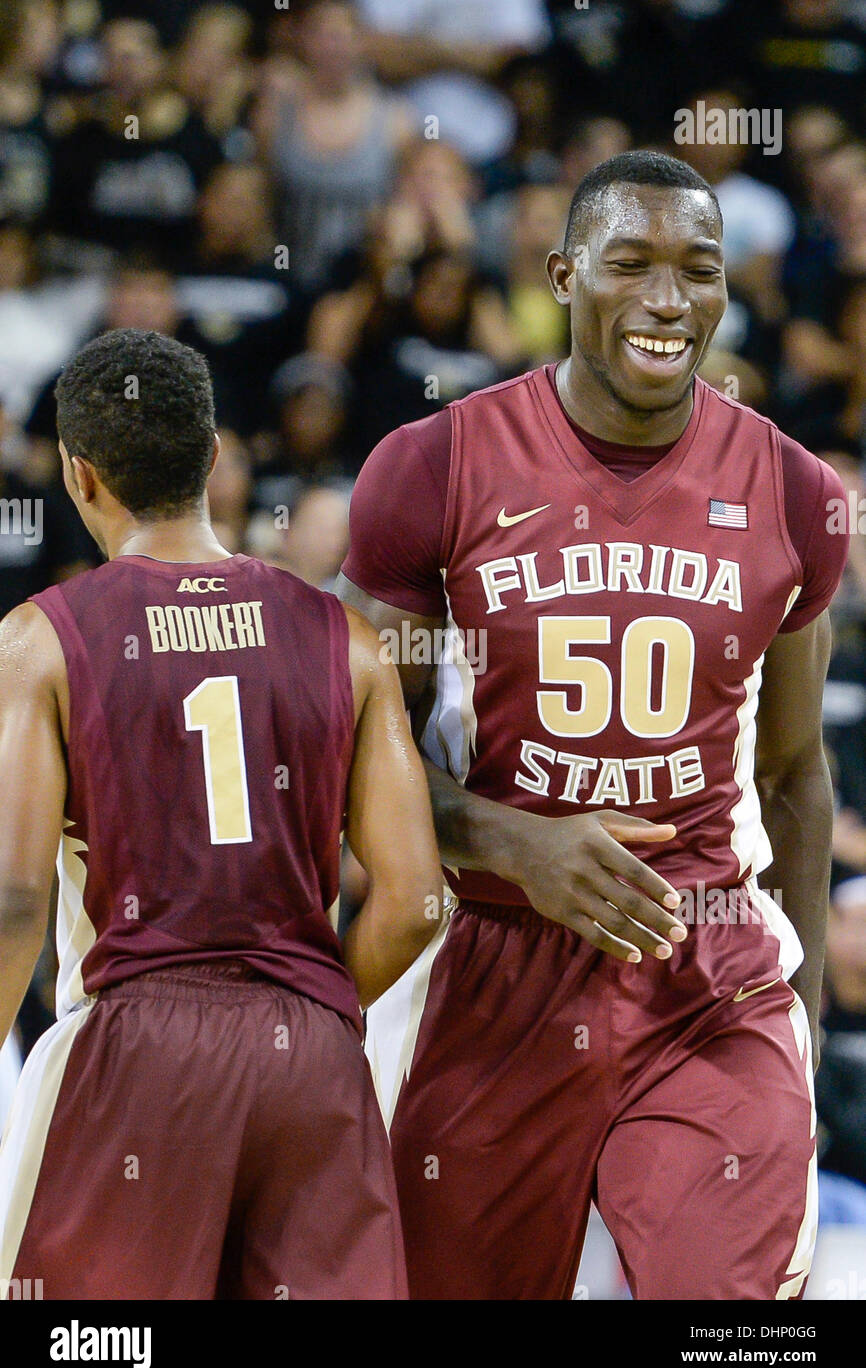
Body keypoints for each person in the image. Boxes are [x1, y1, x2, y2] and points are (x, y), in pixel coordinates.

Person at [338, 151, 849, 1300]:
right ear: (564, 275)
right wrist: (517, 841)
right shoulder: (431, 466)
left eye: (697, 270)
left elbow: (793, 776)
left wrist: (795, 1013)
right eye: (631, 264)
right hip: (488, 966)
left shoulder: (795, 491)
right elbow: (348, 758)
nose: (668, 300)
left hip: (703, 963)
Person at [0, 327, 444, 1300]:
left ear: (78, 477)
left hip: (135, 1044)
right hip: (313, 1056)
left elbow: (12, 896)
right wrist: (310, 1012)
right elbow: (415, 902)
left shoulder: (40, 642)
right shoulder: (346, 636)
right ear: (214, 456)